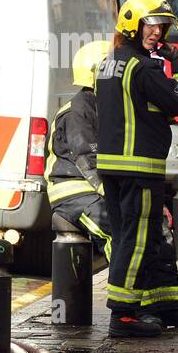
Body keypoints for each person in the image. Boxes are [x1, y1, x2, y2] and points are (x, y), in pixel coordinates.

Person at [96, 0, 178, 337]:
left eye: (162, 26)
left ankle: (164, 306)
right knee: (137, 239)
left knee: (147, 236)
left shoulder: (109, 62)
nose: (157, 32)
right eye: (151, 25)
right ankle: (123, 316)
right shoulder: (142, 67)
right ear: (133, 24)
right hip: (140, 168)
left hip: (115, 167)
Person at [45, 39, 114, 262]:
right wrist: (112, 192)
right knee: (117, 231)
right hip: (72, 191)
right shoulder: (78, 111)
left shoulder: (102, 106)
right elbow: (87, 158)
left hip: (88, 190)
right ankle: (125, 288)